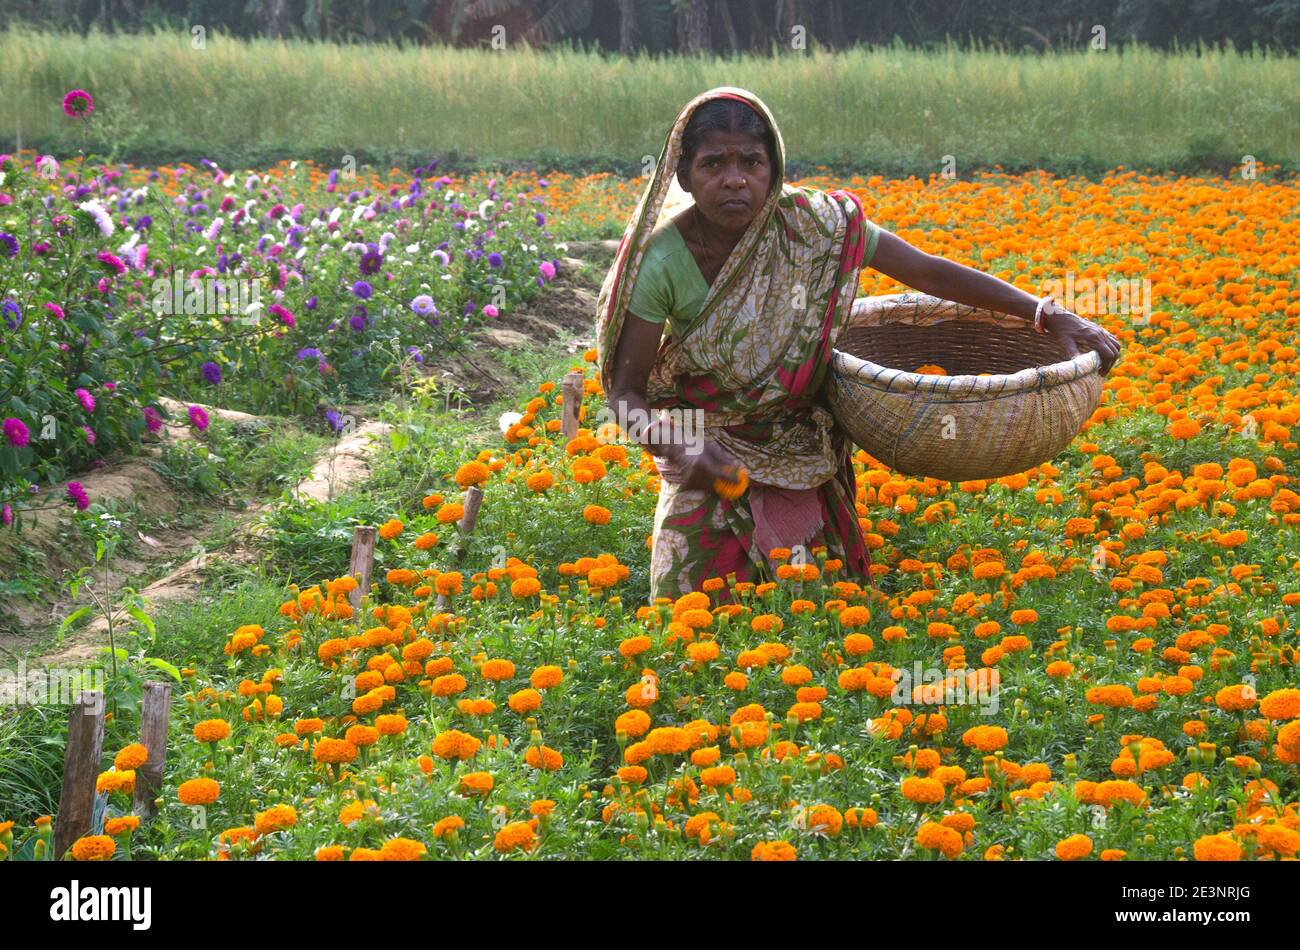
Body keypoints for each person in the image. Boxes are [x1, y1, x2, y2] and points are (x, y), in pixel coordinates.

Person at [595, 86, 1120, 603]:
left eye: (751, 163)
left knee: (823, 614)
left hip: (801, 446)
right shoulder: (663, 260)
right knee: (695, 613)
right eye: (713, 164)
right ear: (684, 176)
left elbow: (926, 271)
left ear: (774, 171)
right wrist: (677, 443)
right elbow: (625, 393)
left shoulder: (815, 226)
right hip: (709, 455)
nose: (734, 180)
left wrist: (1045, 312)